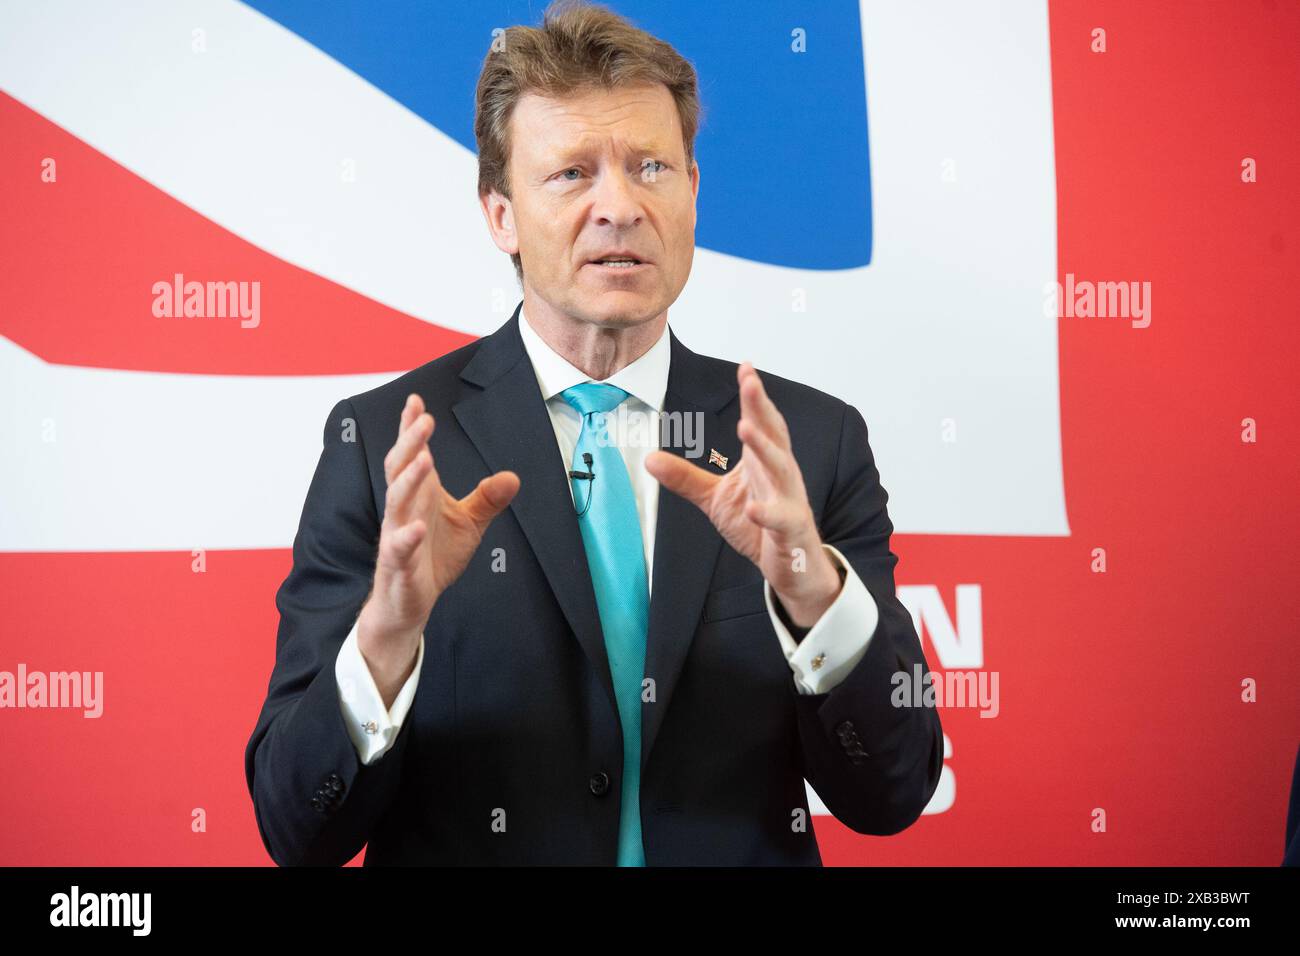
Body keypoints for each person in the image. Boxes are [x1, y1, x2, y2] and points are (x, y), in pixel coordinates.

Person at [244, 0, 943, 866]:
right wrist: (386, 636)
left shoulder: (810, 444)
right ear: (500, 214)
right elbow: (295, 828)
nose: (620, 206)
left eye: (652, 165)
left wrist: (813, 597)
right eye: (572, 173)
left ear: (694, 191)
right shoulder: (384, 445)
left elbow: (893, 794)